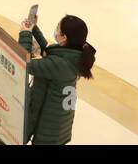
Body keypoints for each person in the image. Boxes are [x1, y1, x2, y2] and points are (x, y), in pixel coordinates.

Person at [19, 14, 95, 145]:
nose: (56, 30)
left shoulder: (61, 65)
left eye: (58, 28)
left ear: (64, 37)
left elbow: (24, 63)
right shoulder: (75, 56)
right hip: (59, 125)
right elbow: (51, 52)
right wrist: (34, 29)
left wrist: (25, 34)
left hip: (48, 131)